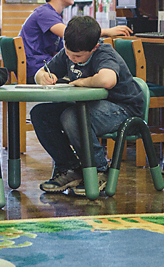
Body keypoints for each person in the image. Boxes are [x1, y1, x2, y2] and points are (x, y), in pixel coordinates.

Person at [30, 15, 144, 196]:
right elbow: (42, 71)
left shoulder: (104, 52)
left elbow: (107, 80)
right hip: (89, 107)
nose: (72, 59)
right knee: (39, 114)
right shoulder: (69, 52)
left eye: (78, 56)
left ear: (94, 47)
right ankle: (69, 168)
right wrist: (42, 77)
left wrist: (83, 82)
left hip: (123, 109)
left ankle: (99, 170)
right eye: (68, 52)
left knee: (72, 117)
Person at [19, 0, 131, 82]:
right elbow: (74, 34)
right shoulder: (45, 13)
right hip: (36, 67)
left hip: (39, 65)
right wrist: (107, 31)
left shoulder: (52, 14)